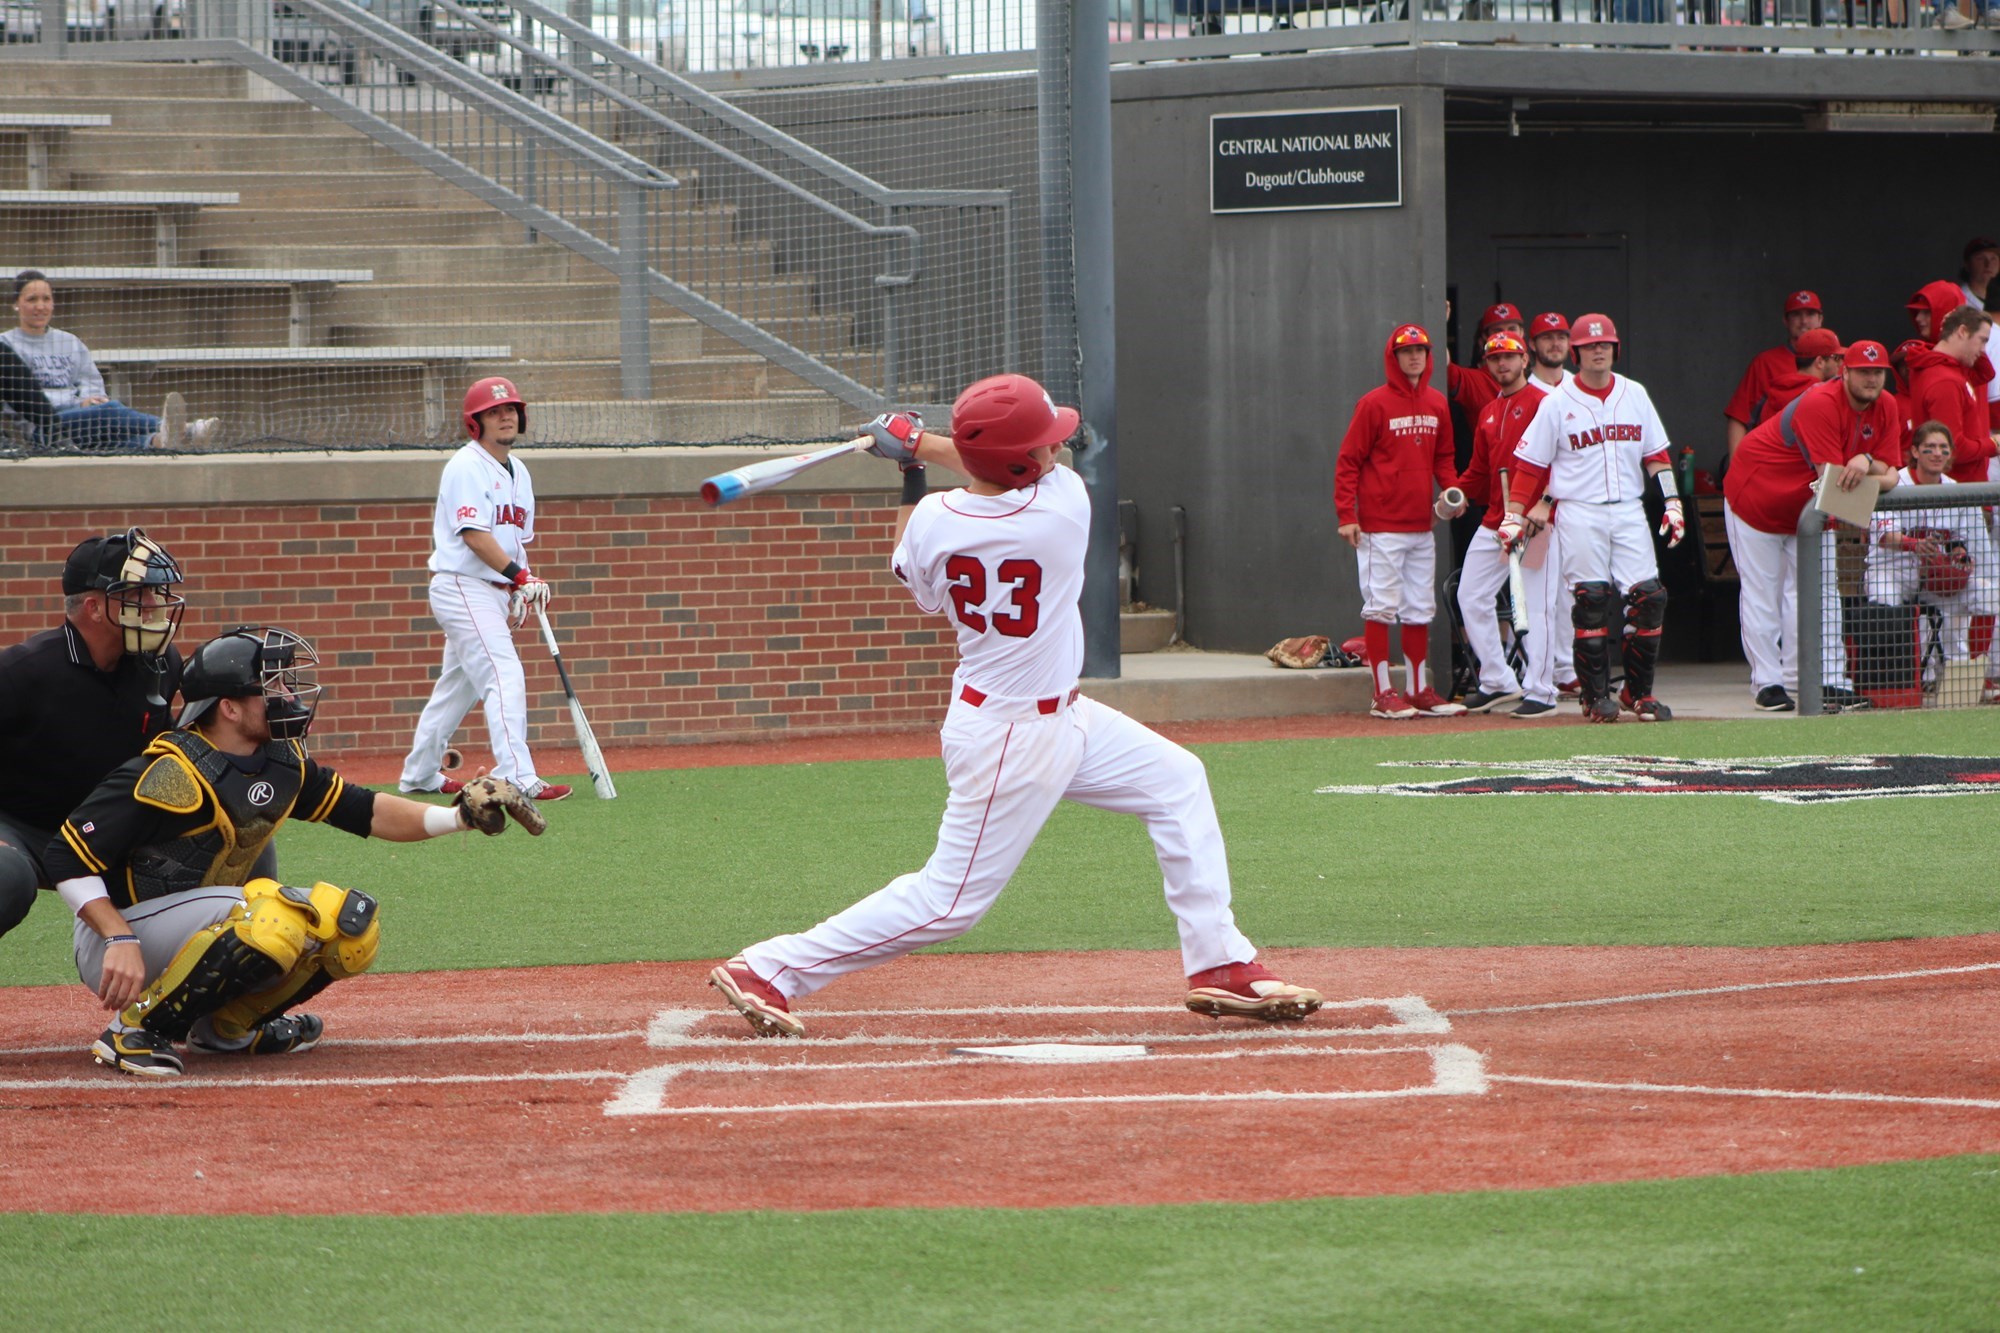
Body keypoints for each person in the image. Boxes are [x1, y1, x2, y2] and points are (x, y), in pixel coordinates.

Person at [708, 374, 1322, 1039]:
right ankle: (771, 966)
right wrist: (921, 442)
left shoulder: (938, 523)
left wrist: (909, 465)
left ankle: (1220, 962)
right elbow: (983, 459)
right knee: (951, 901)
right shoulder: (1063, 507)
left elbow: (917, 564)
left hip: (1052, 715)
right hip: (1013, 736)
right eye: (1043, 443)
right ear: (1023, 461)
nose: (1055, 450)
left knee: (1177, 780)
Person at [42, 626, 547, 1077]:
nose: (288, 695)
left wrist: (458, 816)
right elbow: (65, 855)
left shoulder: (281, 763)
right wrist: (116, 939)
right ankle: (131, 1032)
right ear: (229, 707)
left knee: (348, 927)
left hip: (200, 925)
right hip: (118, 940)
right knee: (272, 916)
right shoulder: (170, 772)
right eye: (272, 687)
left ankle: (226, 1031)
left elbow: (366, 810)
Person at [0, 530, 188, 946]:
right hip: (22, 830)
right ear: (94, 607)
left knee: (229, 838)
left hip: (106, 827)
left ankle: (232, 1010)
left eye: (157, 592)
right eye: (140, 593)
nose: (156, 605)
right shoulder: (22, 672)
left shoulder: (161, 664)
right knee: (4, 874)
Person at [397, 376, 570, 802]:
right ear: (476, 423)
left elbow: (514, 541)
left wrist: (518, 586)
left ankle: (419, 772)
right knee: (503, 674)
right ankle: (518, 775)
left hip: (492, 588)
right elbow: (474, 536)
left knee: (459, 685)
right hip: (462, 585)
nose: (505, 416)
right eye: (494, 412)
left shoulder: (519, 470)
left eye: (510, 409)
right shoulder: (466, 466)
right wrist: (519, 577)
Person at [1501, 313, 1681, 723]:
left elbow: (1656, 455)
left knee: (1650, 598)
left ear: (1615, 349)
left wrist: (1672, 502)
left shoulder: (1635, 393)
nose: (1598, 350)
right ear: (1577, 353)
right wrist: (1514, 515)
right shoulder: (1557, 402)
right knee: (1592, 601)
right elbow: (1530, 465)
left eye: (1605, 344)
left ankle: (1639, 693)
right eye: (1589, 345)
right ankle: (1594, 696)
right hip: (1579, 511)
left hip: (1629, 509)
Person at [1721, 341, 1903, 713]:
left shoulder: (1887, 405)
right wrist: (1875, 468)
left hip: (1809, 510)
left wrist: (1866, 460)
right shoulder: (1821, 401)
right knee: (1764, 595)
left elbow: (1894, 473)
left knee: (1822, 596)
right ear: (1844, 372)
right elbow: (1834, 482)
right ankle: (1768, 684)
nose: (1871, 378)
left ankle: (1829, 681)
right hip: (1758, 497)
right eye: (1863, 371)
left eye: (1878, 371)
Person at [1336, 324, 1468, 719]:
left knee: (1418, 609)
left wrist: (1451, 489)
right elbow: (1348, 462)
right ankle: (1382, 694)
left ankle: (1417, 690)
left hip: (1420, 526)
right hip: (1379, 527)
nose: (1414, 357)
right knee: (1380, 607)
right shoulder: (1373, 404)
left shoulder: (1437, 402)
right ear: (1392, 358)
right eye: (1406, 351)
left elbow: (1443, 458)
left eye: (1421, 351)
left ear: (1429, 357)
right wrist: (1347, 515)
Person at [1454, 333, 1564, 717]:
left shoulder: (1545, 403)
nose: (1502, 364)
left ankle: (1541, 689)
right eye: (1494, 359)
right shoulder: (1487, 410)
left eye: (1509, 357)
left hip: (1535, 521)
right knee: (1470, 595)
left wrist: (1544, 506)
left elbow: (1563, 462)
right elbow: (1478, 470)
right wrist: (1457, 495)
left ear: (1524, 360)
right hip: (1496, 520)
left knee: (1535, 607)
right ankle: (1498, 679)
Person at [0, 270, 215, 451]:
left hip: (86, 419)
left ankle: (158, 441)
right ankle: (182, 429)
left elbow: (91, 383)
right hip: (43, 428)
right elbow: (18, 400)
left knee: (106, 439)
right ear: (16, 304)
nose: (40, 306)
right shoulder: (6, 345)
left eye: (46, 299)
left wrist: (89, 401)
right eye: (32, 299)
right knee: (111, 411)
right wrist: (77, 403)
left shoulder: (69, 341)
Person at [1863, 423, 1998, 699]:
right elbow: (1885, 537)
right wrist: (1914, 545)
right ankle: (1896, 684)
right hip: (1891, 571)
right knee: (1887, 608)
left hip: (1936, 576)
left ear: (1950, 456)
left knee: (1988, 595)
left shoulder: (1954, 489)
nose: (1937, 453)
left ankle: (1969, 683)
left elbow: (1962, 540)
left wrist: (1961, 555)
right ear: (1915, 451)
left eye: (1943, 449)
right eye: (1929, 448)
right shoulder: (1896, 483)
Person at [1904, 301, 1997, 485]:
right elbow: (1954, 449)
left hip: (1959, 489)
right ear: (1962, 332)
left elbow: (1986, 373)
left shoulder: (1948, 367)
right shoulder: (1945, 379)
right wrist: (1994, 444)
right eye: (1982, 340)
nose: (1983, 350)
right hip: (1957, 494)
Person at [1723, 290, 1825, 458]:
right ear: (1785, 321)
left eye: (1810, 314)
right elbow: (1738, 418)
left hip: (1818, 460)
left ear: (1820, 319)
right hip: (1774, 460)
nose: (1804, 321)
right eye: (1796, 314)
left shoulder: (1836, 363)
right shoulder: (1766, 362)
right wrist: (1736, 470)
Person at [1748, 327, 1845, 428]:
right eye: (1836, 358)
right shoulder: (1822, 396)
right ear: (1820, 362)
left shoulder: (1773, 392)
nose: (1841, 363)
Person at [1961, 236, 2000, 431]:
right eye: (1980, 258)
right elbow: (1995, 407)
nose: (1987, 264)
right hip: (1989, 430)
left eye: (1993, 258)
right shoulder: (1958, 300)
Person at [1527, 311, 1573, 391]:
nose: (1555, 343)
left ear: (1569, 343)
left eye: (1561, 337)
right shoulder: (1521, 387)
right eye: (1547, 338)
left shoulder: (1577, 385)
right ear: (1533, 344)